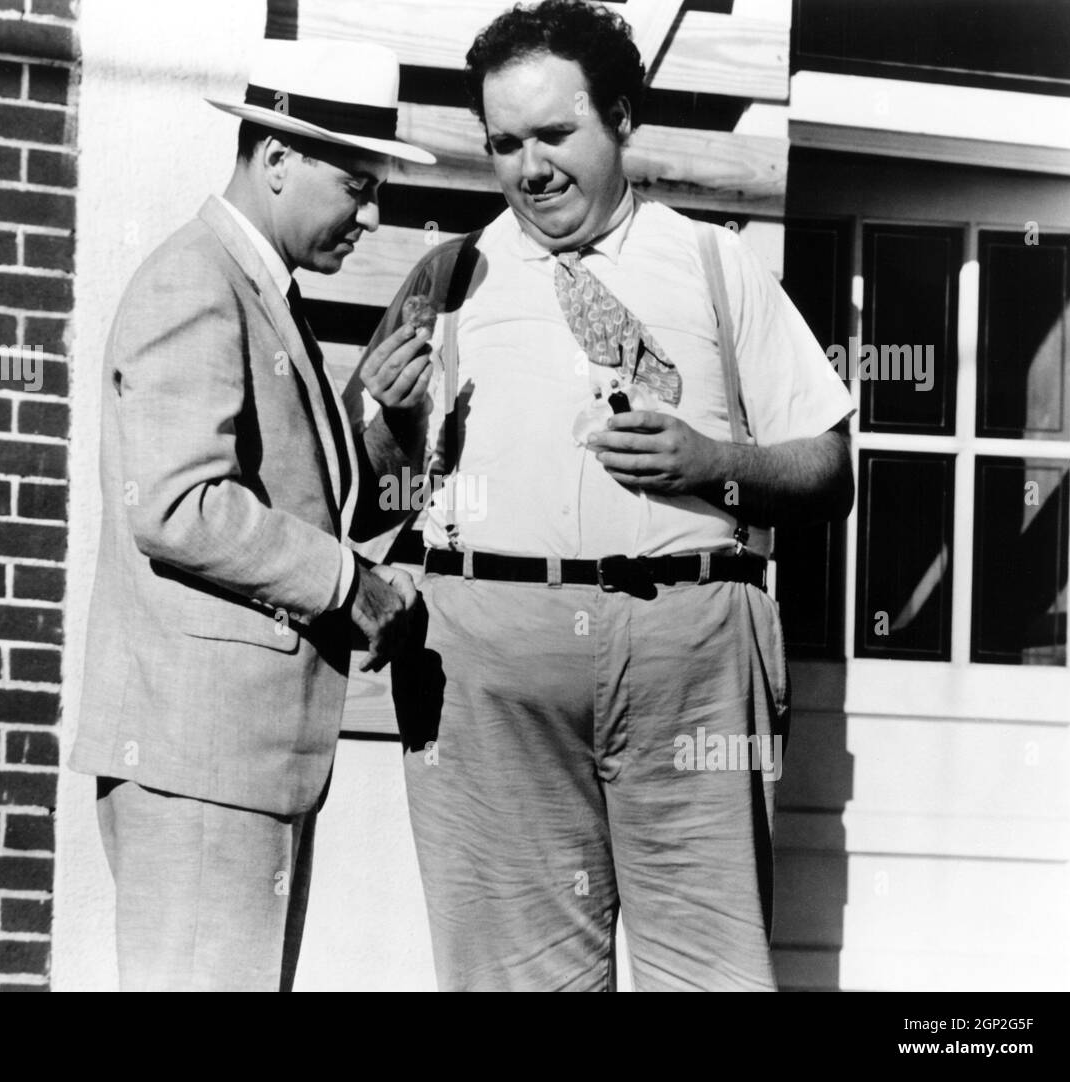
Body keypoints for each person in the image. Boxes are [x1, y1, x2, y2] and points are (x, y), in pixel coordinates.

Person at [359, 0, 855, 991]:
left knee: (708, 975)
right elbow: (372, 496)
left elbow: (829, 473)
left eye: (555, 133)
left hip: (691, 657)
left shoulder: (717, 265)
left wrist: (712, 460)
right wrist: (382, 421)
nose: (529, 167)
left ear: (621, 120)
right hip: (490, 670)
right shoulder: (447, 275)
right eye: (505, 143)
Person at [69, 38, 437, 991]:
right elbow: (179, 505)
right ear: (276, 159)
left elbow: (293, 498)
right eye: (357, 183)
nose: (372, 212)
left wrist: (379, 424)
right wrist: (347, 584)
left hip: (234, 763)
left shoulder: (261, 290)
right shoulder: (197, 282)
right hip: (199, 765)